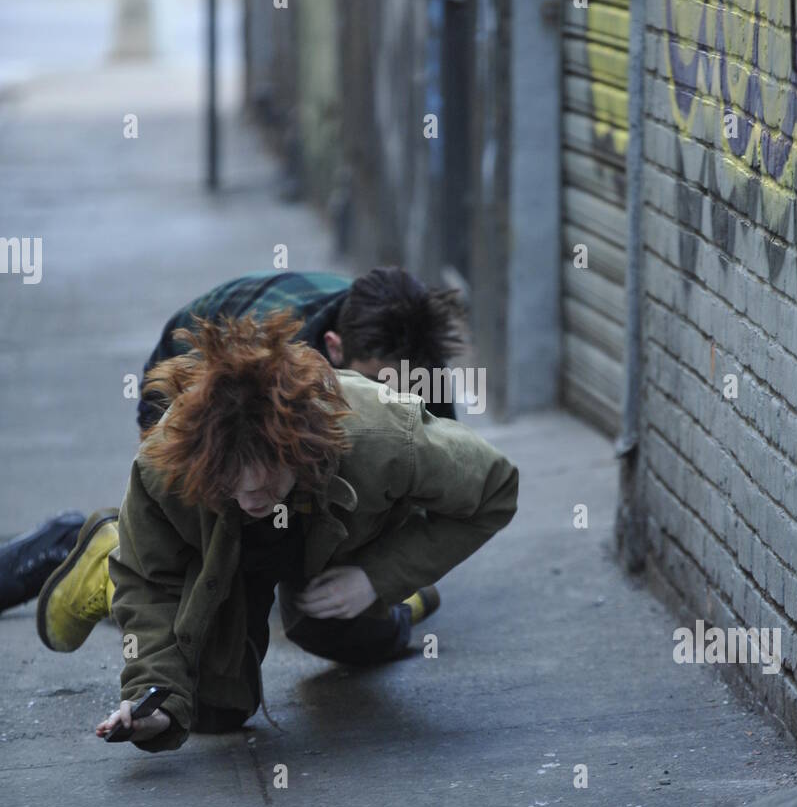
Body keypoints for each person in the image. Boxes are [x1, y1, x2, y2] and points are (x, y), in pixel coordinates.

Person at [88, 309, 517, 750]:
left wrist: (377, 578)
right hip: (227, 554)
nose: (251, 500)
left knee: (331, 629)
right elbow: (148, 582)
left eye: (265, 483)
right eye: (228, 486)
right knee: (212, 710)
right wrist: (149, 696)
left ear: (299, 447)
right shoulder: (165, 466)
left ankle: (407, 602)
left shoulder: (381, 432)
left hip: (338, 546)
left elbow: (495, 488)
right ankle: (107, 546)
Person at [0, 265, 465, 618]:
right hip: (182, 388)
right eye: (374, 384)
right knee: (215, 563)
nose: (385, 399)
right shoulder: (276, 366)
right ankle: (89, 549)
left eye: (400, 389)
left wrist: (384, 570)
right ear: (334, 346)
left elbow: (434, 488)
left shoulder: (416, 364)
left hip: (265, 374)